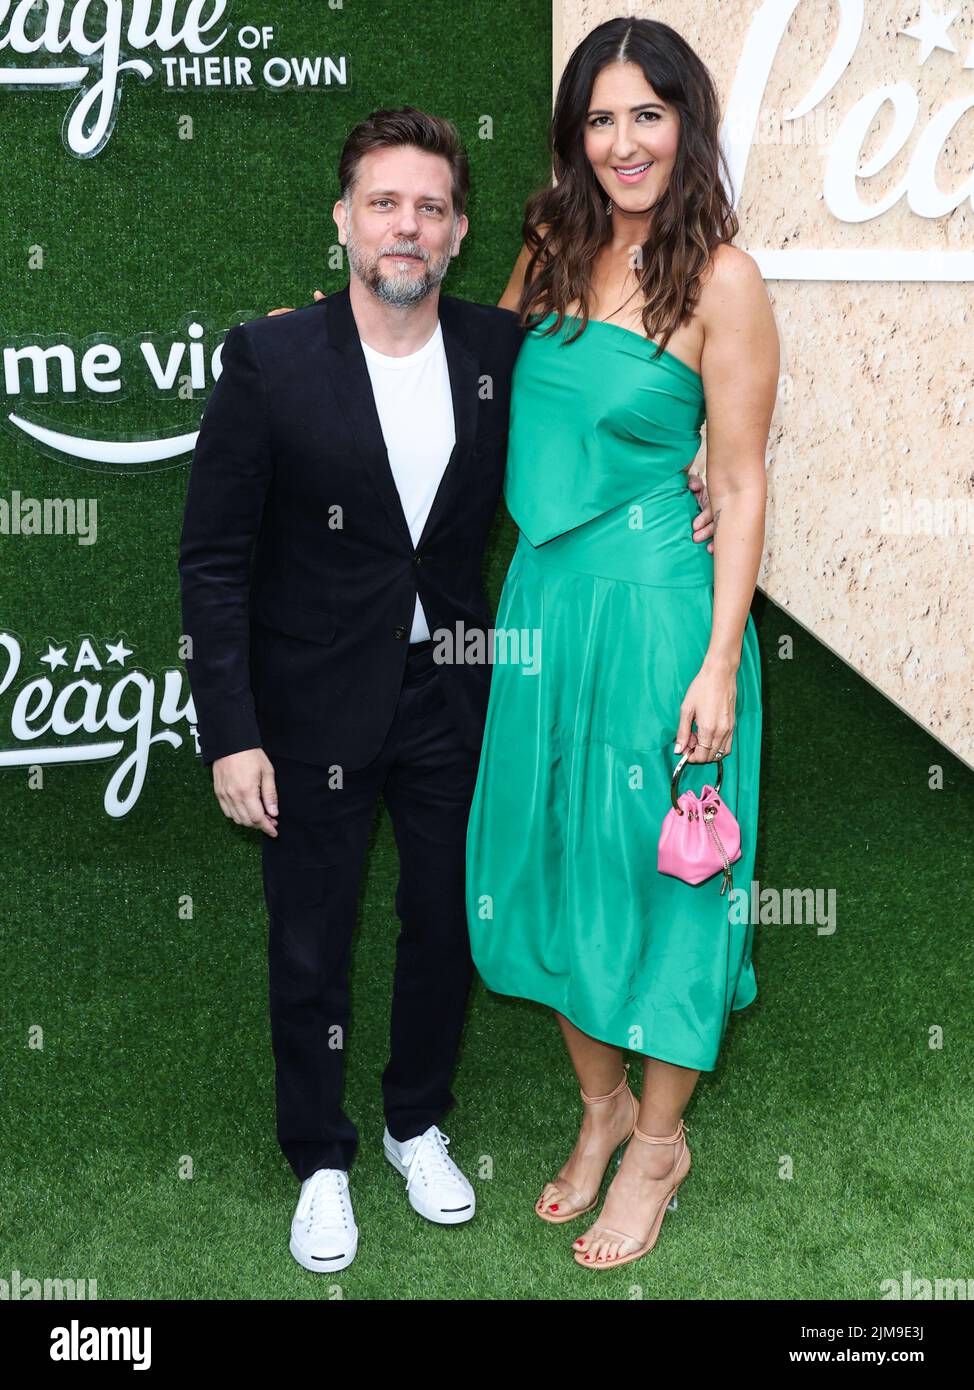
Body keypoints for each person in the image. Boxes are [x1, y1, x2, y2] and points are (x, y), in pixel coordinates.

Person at [179, 104, 717, 1274]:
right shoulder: (269, 359)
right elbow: (212, 559)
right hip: (309, 701)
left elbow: (609, 409)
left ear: (460, 229)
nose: (405, 225)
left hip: (463, 690)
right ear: (342, 219)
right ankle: (320, 1158)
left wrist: (696, 467)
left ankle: (415, 1122)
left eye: (429, 206)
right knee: (311, 938)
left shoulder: (499, 349)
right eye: (383, 202)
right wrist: (232, 732)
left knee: (445, 921)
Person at [464, 16, 779, 1271]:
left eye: (645, 113)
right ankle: (598, 1113)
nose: (620, 140)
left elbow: (743, 486)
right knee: (549, 858)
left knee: (661, 877)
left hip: (659, 618)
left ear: (685, 124)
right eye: (597, 118)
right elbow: (483, 389)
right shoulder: (548, 246)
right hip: (542, 608)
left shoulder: (724, 282)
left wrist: (717, 661)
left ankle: (657, 1144)